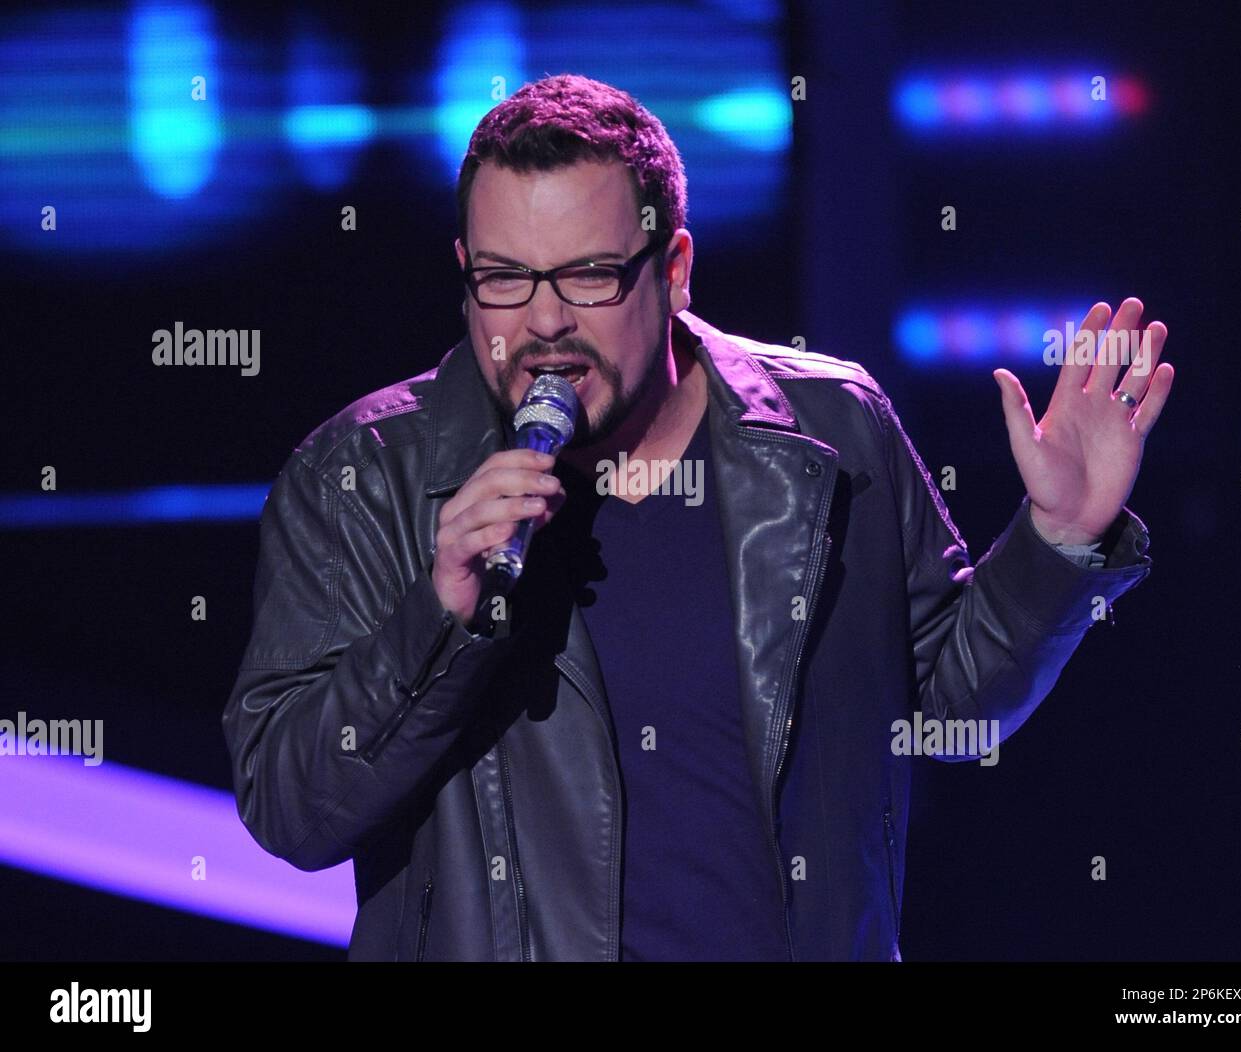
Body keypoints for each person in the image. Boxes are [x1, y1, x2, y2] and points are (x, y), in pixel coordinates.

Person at [222, 74, 1173, 961]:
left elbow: (944, 704)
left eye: (589, 275)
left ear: (673, 268)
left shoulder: (832, 429)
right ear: (465, 271)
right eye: (505, 279)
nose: (543, 322)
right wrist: (440, 619)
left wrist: (1057, 542)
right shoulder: (365, 474)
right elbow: (292, 809)